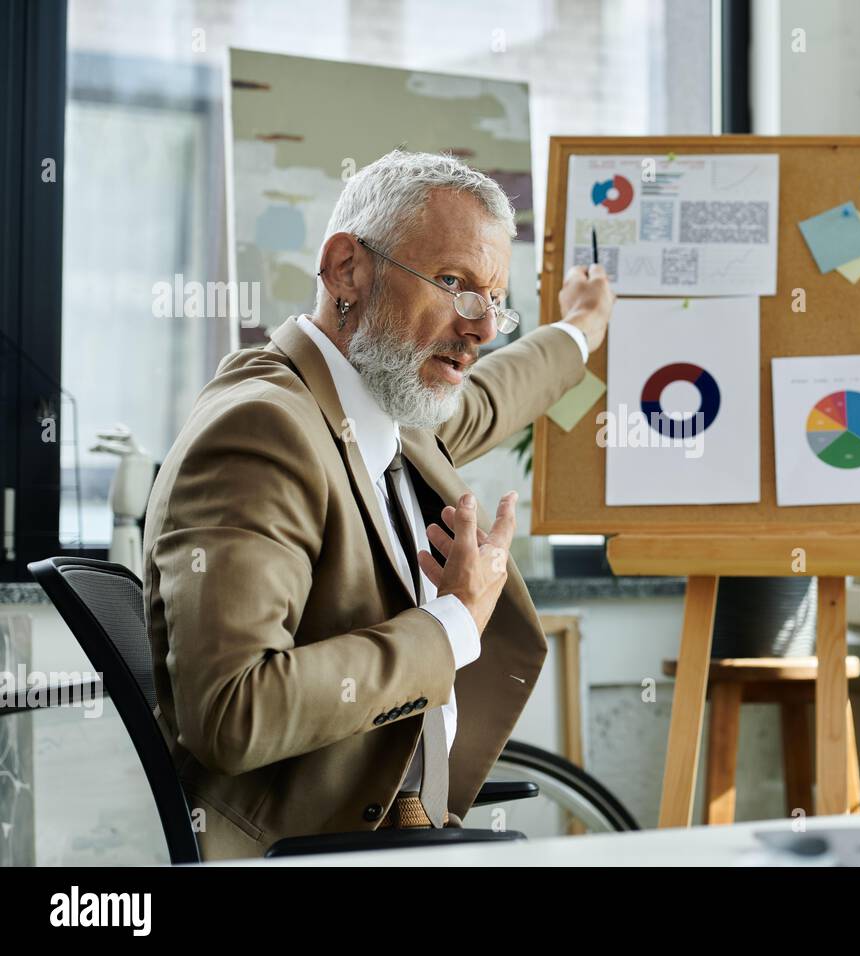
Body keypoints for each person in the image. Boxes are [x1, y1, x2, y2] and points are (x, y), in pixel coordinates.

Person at [141, 149, 614, 860]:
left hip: (397, 838)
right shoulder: (263, 428)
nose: (483, 329)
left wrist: (580, 329)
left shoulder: (380, 407)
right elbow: (232, 713)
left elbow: (486, 400)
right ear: (346, 271)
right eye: (453, 284)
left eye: (494, 300)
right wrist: (451, 623)